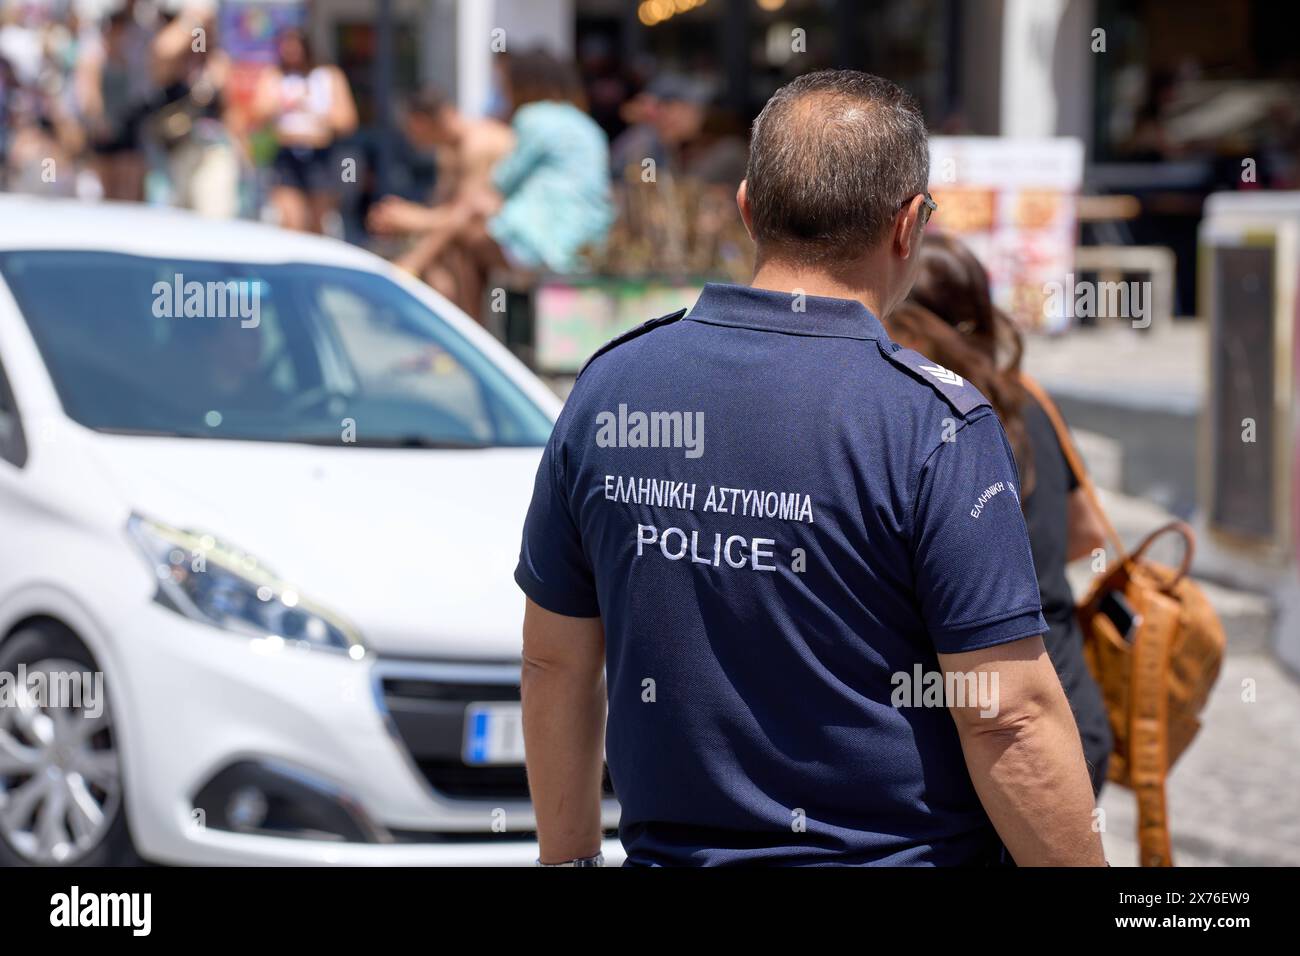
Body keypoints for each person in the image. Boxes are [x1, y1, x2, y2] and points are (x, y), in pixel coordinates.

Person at [514, 70, 1105, 867]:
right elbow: (1007, 716)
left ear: (749, 207)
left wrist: (570, 860)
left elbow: (555, 659)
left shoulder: (612, 385)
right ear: (909, 226)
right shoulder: (933, 424)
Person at [885, 233, 1113, 795]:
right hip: (1071, 712)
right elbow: (1091, 536)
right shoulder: (1028, 399)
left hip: (1004, 740)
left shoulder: (920, 419)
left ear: (911, 323)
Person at [391, 49, 613, 320]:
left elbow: (494, 189)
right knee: (464, 226)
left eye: (502, 85)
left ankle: (470, 334)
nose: (501, 94)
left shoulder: (532, 118)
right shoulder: (583, 123)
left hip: (550, 242)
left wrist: (416, 222)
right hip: (586, 239)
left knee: (464, 234)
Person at [366, 90, 515, 240]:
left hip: (509, 233)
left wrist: (413, 219)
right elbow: (444, 207)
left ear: (421, 122)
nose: (408, 137)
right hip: (484, 225)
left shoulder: (477, 146)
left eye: (408, 128)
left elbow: (467, 216)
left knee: (467, 235)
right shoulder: (448, 150)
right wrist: (404, 215)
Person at [254, 27, 357, 233]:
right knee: (291, 221)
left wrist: (312, 107)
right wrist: (281, 102)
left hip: (320, 156)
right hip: (287, 155)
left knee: (318, 223)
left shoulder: (328, 76)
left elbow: (347, 122)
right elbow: (257, 114)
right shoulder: (274, 76)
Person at [151, 6, 240, 219]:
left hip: (213, 149)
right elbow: (163, 50)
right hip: (177, 151)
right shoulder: (174, 64)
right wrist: (193, 19)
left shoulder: (217, 62)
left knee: (215, 213)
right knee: (179, 217)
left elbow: (229, 111)